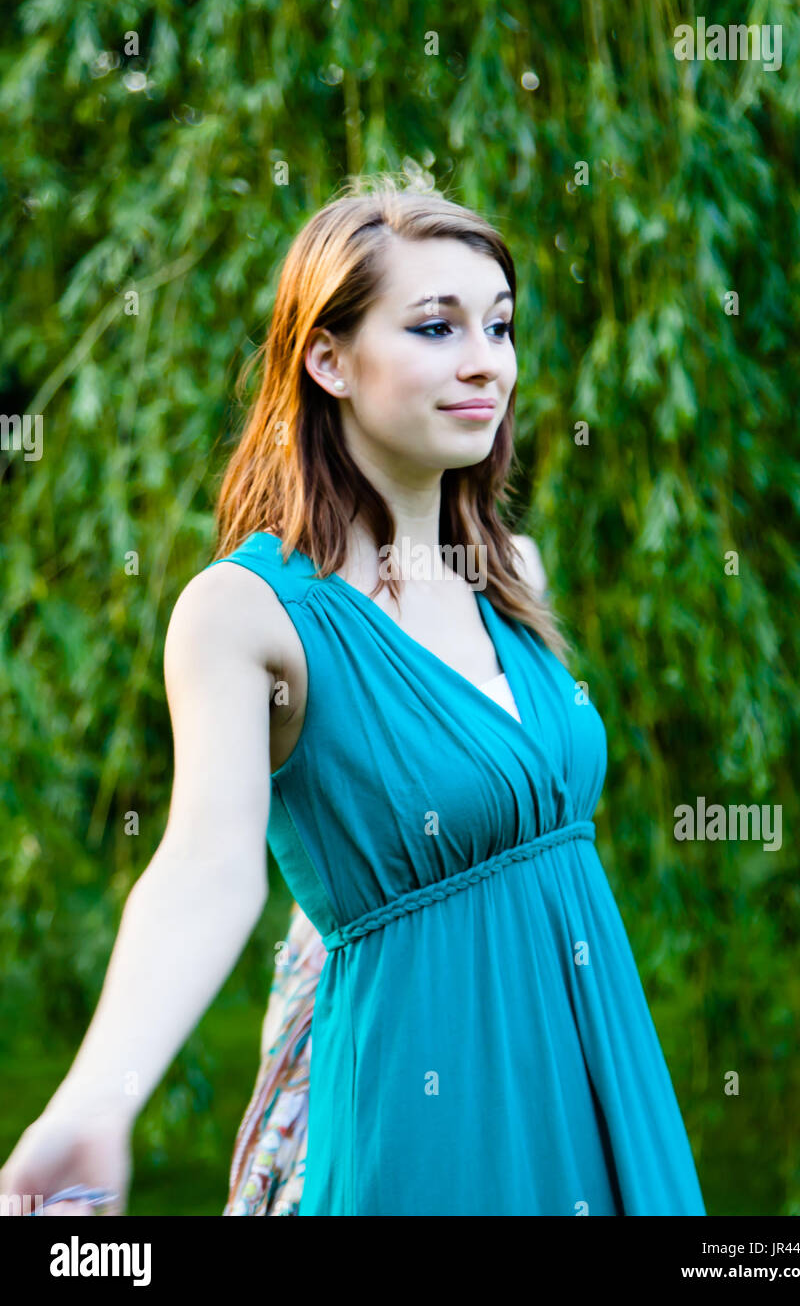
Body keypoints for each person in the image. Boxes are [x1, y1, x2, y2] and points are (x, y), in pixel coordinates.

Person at [0, 174, 706, 1216]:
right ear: (326, 359)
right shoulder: (245, 613)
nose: (484, 361)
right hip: (428, 1112)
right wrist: (98, 1096)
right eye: (433, 326)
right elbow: (203, 869)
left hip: (597, 1071)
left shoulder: (514, 574)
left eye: (498, 325)